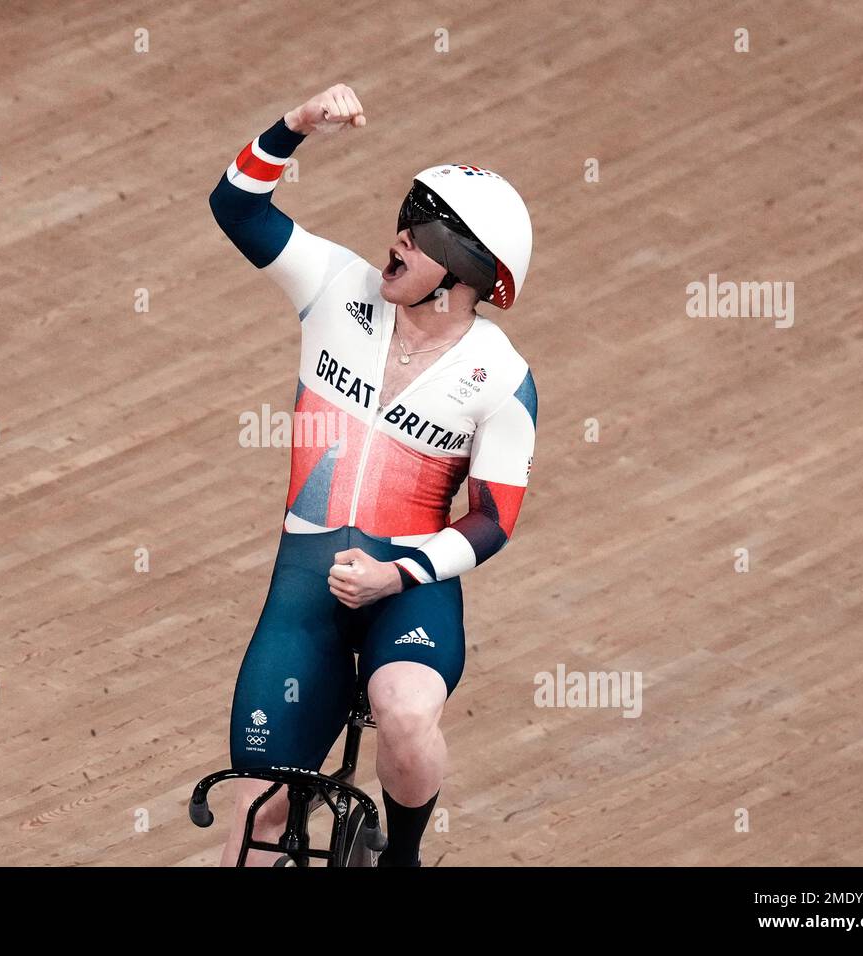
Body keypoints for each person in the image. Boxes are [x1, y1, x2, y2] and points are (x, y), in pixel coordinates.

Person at [208, 84, 537, 866]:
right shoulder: (334, 289)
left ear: (462, 270)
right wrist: (294, 127)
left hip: (408, 591)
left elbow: (493, 520)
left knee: (403, 711)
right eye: (404, 217)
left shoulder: (500, 375)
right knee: (258, 808)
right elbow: (236, 207)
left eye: (420, 232)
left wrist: (397, 574)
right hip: (305, 589)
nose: (396, 238)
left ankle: (403, 860)